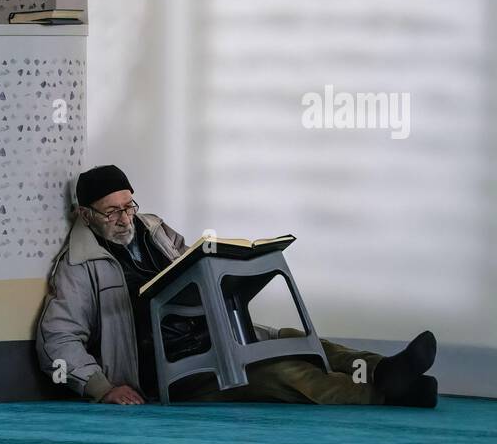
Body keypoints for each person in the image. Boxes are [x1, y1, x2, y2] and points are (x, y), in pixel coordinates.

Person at [36, 164, 438, 407]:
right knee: (285, 372)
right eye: (112, 212)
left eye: (129, 206)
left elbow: (190, 262)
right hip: (171, 370)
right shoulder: (77, 265)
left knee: (303, 342)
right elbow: (58, 338)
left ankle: (386, 370)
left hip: (217, 335)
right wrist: (101, 388)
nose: (125, 219)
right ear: (85, 215)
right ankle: (386, 392)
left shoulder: (152, 227)